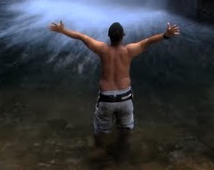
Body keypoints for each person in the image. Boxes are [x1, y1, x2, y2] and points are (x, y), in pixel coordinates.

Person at [49, 17, 179, 142]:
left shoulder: (102, 49)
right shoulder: (129, 51)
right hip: (125, 98)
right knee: (125, 132)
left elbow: (81, 37)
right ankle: (123, 156)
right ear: (124, 35)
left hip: (106, 99)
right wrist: (166, 34)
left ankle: (100, 155)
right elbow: (148, 41)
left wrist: (62, 30)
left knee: (101, 133)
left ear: (108, 36)